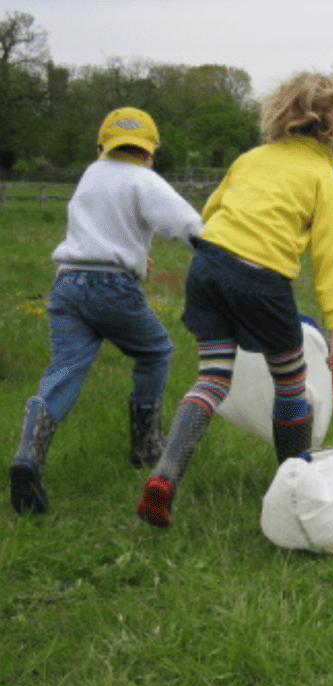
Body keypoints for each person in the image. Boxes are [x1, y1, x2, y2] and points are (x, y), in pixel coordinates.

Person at [135, 73, 333, 528]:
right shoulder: (323, 178)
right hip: (261, 281)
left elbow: (212, 212)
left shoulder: (250, 159)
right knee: (292, 384)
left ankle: (164, 475)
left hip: (206, 267)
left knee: (212, 378)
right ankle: (294, 491)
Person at [9, 107, 203, 515]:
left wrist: (135, 258)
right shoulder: (143, 178)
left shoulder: (90, 176)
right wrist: (215, 252)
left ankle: (28, 456)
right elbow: (186, 225)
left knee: (65, 369)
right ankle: (146, 445)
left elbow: (100, 231)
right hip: (111, 288)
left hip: (68, 284)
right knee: (156, 352)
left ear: (101, 147)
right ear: (149, 152)